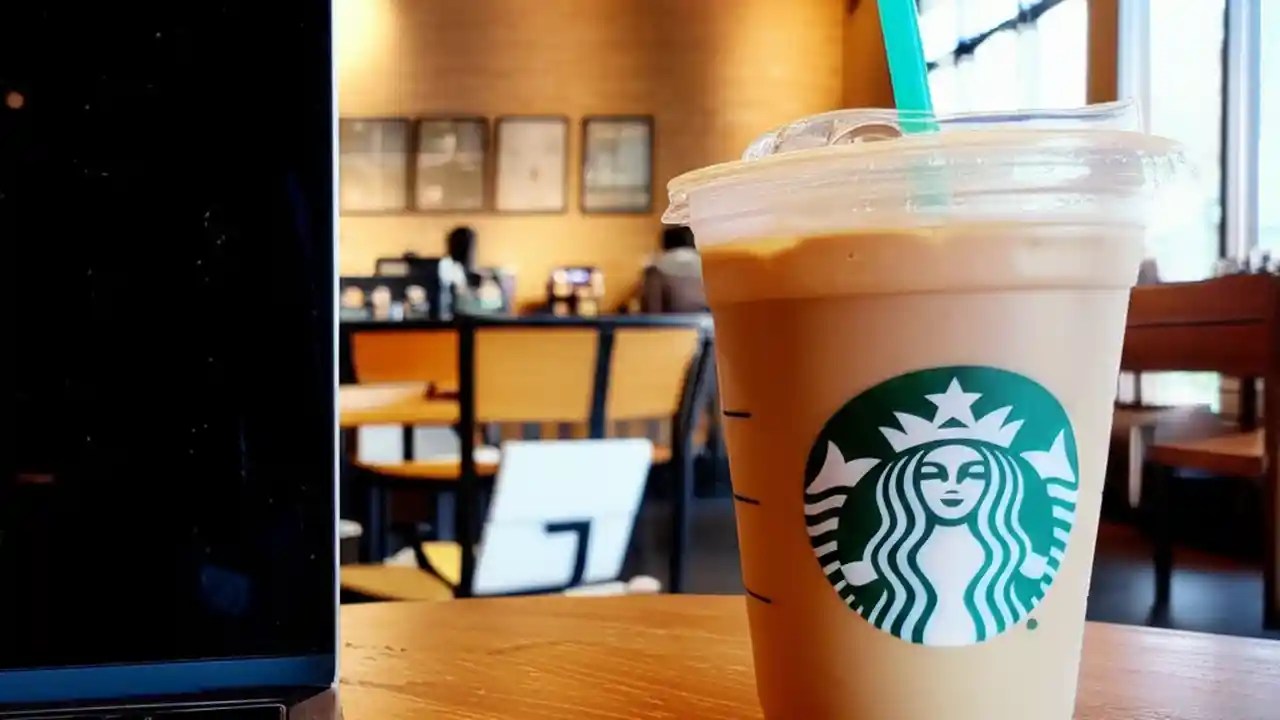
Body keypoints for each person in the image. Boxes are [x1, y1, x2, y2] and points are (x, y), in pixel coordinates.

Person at [641, 225, 707, 313]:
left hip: (670, 323)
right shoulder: (707, 264)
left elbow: (652, 309)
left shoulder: (656, 266)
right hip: (707, 322)